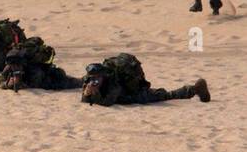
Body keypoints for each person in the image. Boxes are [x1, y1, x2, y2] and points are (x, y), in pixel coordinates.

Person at [80, 54, 210, 106]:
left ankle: (195, 89)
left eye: (97, 78)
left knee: (165, 95)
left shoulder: (113, 83)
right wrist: (87, 93)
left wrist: (95, 92)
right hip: (128, 93)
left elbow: (107, 102)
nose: (94, 81)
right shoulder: (89, 80)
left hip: (135, 95)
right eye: (92, 78)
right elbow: (85, 101)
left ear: (103, 75)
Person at [0, 39, 80, 92]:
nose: (16, 67)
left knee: (68, 81)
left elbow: (37, 83)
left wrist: (21, 83)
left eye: (17, 65)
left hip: (47, 77)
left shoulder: (32, 68)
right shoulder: (10, 66)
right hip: (42, 78)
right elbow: (1, 81)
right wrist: (7, 84)